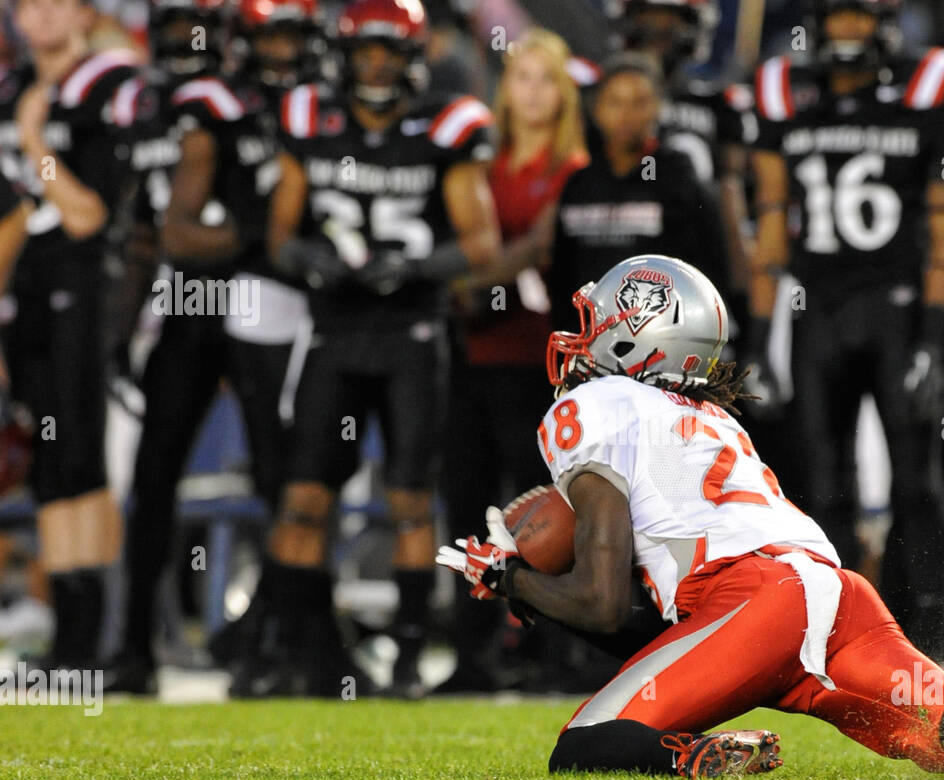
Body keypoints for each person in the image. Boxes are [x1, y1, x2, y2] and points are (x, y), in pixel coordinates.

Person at [436, 253, 944, 778]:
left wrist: (512, 574)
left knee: (581, 748)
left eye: (601, 322)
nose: (583, 339)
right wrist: (523, 589)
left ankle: (707, 758)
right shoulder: (709, 422)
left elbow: (606, 600)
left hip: (755, 597)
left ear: (639, 341)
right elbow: (648, 634)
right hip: (824, 589)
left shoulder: (599, 406)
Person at [244, 0, 500, 696]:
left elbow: (482, 244)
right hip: (332, 334)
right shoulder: (310, 124)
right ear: (345, 57)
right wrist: (306, 258)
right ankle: (298, 652)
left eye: (390, 51)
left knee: (410, 500)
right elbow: (279, 237)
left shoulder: (446, 126)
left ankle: (411, 661)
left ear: (413, 56)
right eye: (367, 52)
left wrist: (414, 269)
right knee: (302, 498)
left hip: (412, 335)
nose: (378, 65)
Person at [749, 0, 944, 658]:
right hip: (816, 307)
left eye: (859, 16)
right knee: (824, 482)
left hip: (897, 307)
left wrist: (934, 337)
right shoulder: (782, 89)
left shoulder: (930, 85)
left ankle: (931, 631)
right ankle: (839, 631)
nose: (846, 30)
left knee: (916, 479)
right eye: (836, 16)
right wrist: (763, 337)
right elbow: (770, 220)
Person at [108, 0, 320, 694]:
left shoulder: (268, 107)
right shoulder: (165, 108)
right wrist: (120, 329)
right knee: (155, 475)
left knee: (278, 475)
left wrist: (263, 244)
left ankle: (280, 637)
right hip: (194, 306)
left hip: (263, 305)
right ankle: (136, 644)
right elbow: (155, 235)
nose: (180, 44)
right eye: (168, 30)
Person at [435, 27, 590, 693]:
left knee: (540, 516)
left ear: (563, 94)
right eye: (521, 77)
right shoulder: (478, 160)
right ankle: (471, 654)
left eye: (545, 79)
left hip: (540, 360)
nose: (532, 92)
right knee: (467, 503)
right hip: (472, 355)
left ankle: (543, 652)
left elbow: (537, 251)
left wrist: (471, 282)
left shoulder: (574, 171)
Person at [0, 0, 138, 671]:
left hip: (87, 292)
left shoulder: (109, 86)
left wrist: (35, 147)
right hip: (27, 300)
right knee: (51, 467)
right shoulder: (13, 89)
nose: (43, 15)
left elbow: (86, 214)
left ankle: (91, 636)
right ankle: (71, 641)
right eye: (31, 3)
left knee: (81, 463)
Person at [545, 52, 730, 322]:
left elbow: (710, 267)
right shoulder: (578, 185)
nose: (626, 115)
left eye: (639, 102)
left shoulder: (679, 178)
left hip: (664, 342)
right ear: (596, 109)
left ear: (658, 107)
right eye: (615, 102)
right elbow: (561, 274)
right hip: (589, 342)